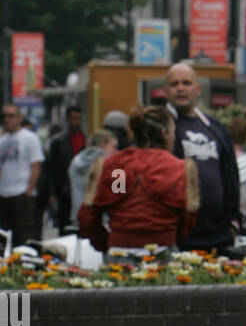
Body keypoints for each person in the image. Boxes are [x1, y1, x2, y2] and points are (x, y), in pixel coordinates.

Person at [78, 105, 199, 252]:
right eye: (173, 132)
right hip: (163, 248)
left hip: (119, 249)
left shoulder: (117, 166)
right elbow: (188, 217)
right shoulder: (178, 167)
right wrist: (172, 239)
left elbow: (89, 215)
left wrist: (105, 243)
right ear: (164, 133)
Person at [163, 63, 240, 250]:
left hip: (219, 235)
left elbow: (231, 177)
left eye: (186, 83)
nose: (180, 88)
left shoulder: (216, 128)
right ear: (165, 91)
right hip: (177, 238)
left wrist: (234, 223)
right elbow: (124, 172)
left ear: (197, 89)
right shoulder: (159, 128)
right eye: (174, 84)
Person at [0, 102, 44, 246]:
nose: (7, 119)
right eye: (4, 116)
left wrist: (28, 191)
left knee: (23, 237)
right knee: (3, 238)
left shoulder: (29, 138)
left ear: (19, 118)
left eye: (11, 116)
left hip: (21, 193)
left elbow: (36, 165)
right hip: (4, 194)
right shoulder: (2, 140)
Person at [45, 105, 86, 232]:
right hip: (64, 192)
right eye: (74, 118)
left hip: (82, 190)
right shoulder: (58, 142)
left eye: (79, 118)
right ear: (68, 120)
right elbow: (51, 169)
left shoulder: (86, 140)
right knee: (65, 227)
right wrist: (51, 193)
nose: (77, 122)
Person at [67, 129, 118, 226]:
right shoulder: (111, 164)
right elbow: (119, 193)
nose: (116, 151)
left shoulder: (76, 161)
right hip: (104, 219)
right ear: (102, 145)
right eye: (114, 147)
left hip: (79, 215)